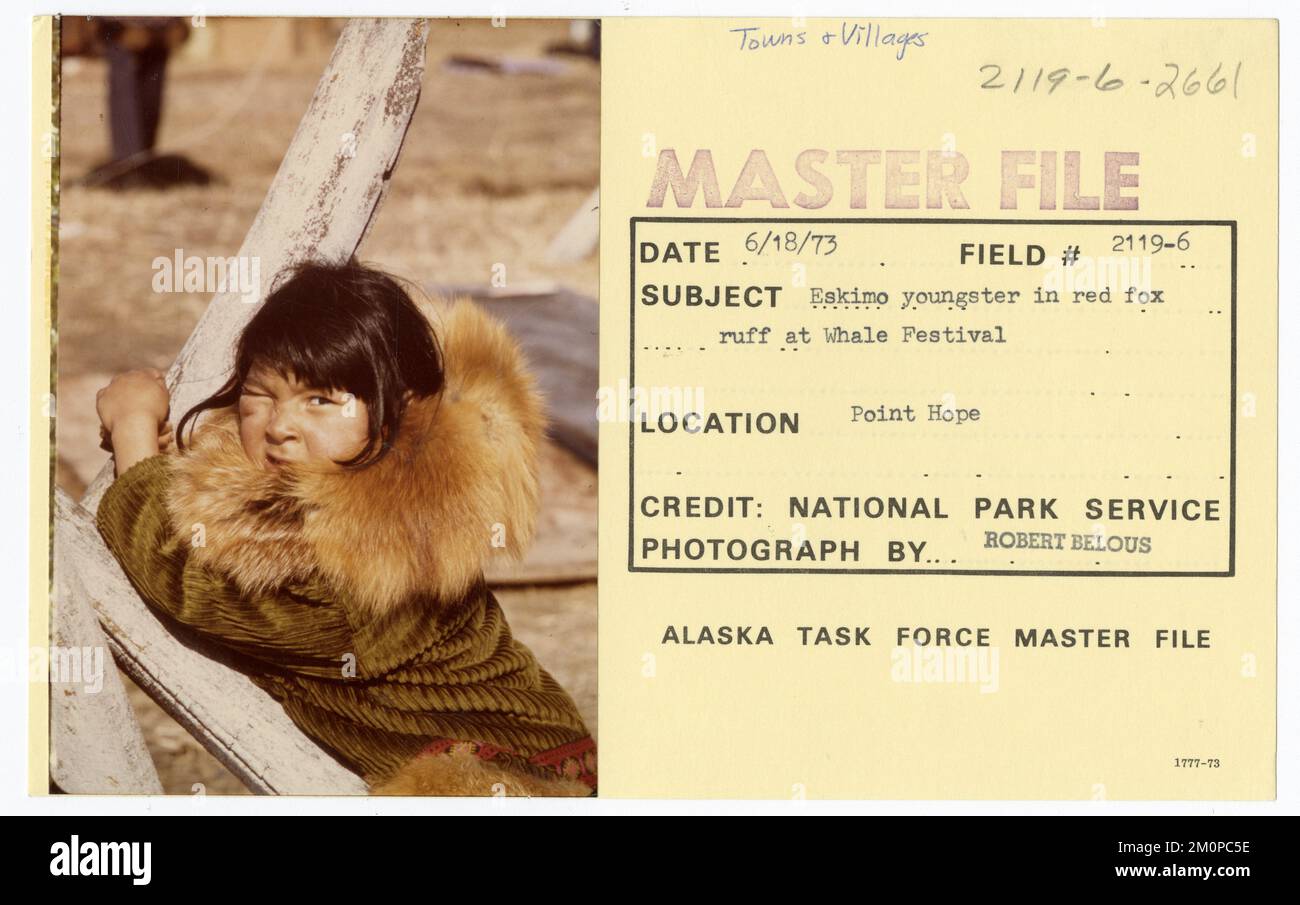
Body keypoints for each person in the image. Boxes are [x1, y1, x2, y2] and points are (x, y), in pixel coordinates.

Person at [92, 259, 596, 796]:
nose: (280, 426)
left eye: (321, 401)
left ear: (394, 415)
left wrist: (134, 431)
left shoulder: (372, 559)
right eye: (260, 397)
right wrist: (185, 473)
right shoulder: (339, 477)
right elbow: (242, 511)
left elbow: (189, 586)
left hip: (501, 781)